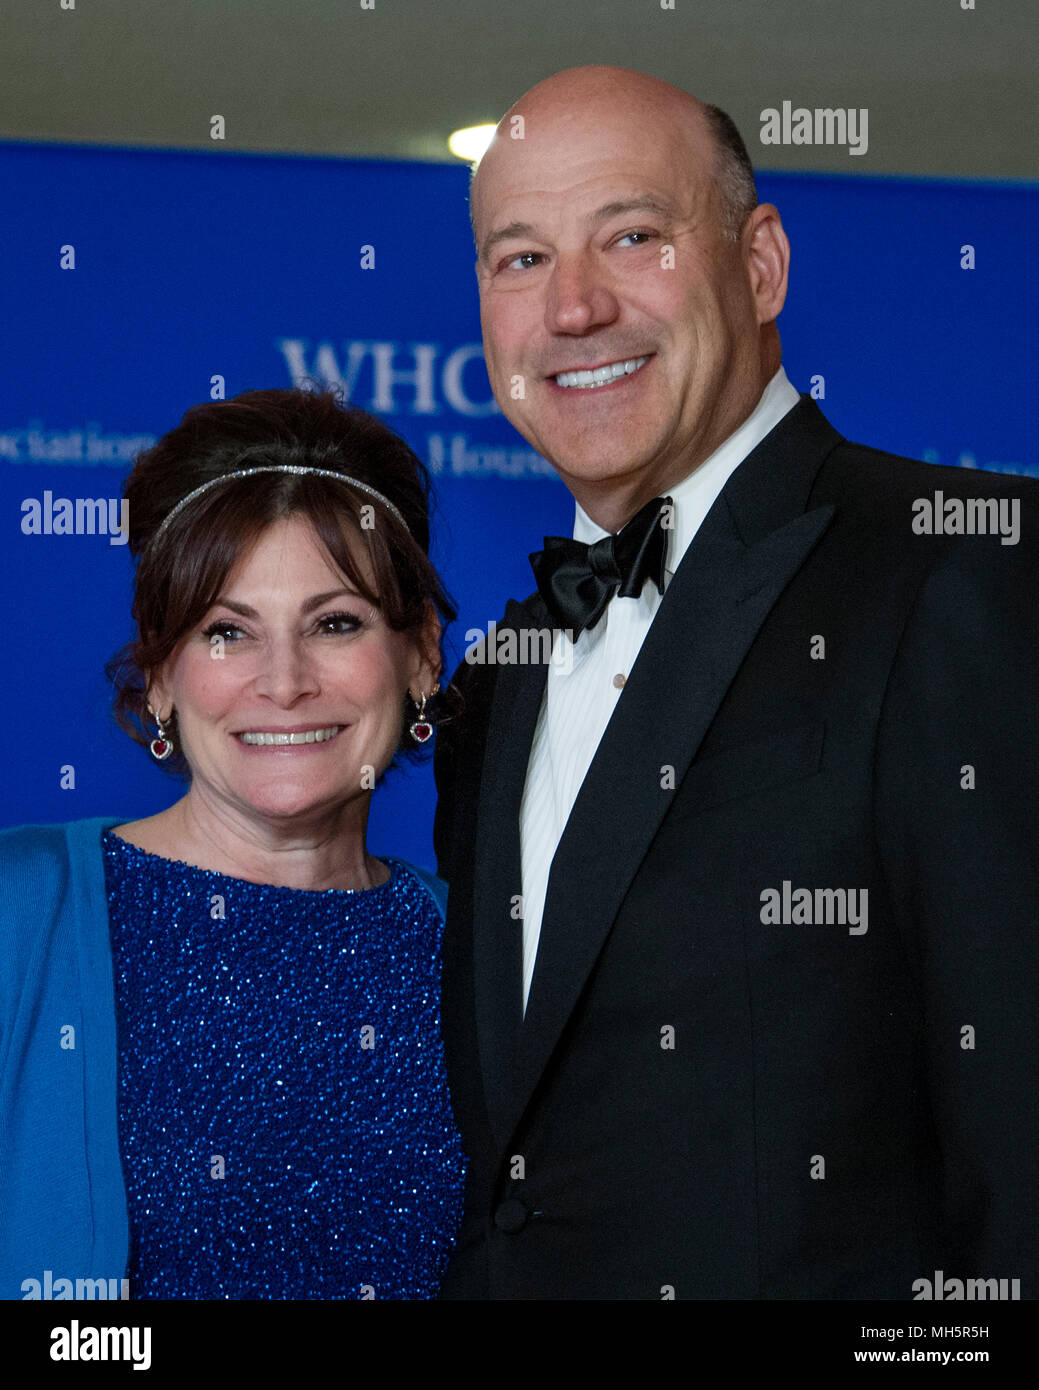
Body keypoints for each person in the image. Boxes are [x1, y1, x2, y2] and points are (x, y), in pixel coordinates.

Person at [432, 65, 1039, 1299]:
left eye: (634, 236)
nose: (576, 306)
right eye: (520, 259)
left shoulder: (962, 561)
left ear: (760, 266)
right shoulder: (500, 675)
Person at [0, 387, 466, 1300]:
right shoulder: (22, 914)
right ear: (161, 674)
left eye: (335, 623)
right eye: (226, 632)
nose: (283, 683)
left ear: (419, 655)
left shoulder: (486, 950)